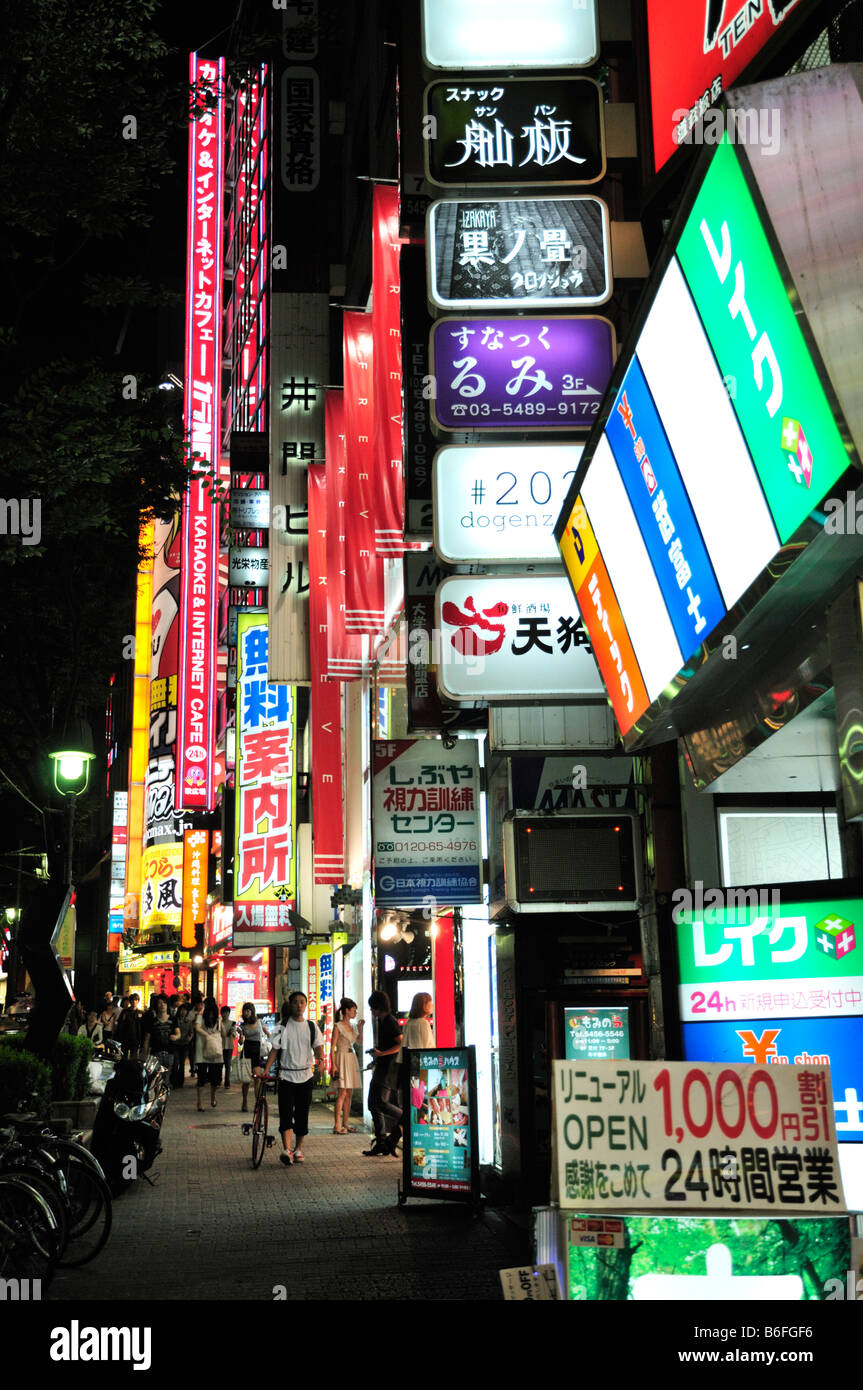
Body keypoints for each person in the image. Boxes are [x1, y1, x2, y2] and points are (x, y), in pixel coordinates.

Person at [255, 992, 324, 1166]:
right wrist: (267, 1069)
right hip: (286, 1075)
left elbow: (318, 1048)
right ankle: (287, 1149)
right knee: (286, 1113)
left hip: (305, 1076)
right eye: (296, 1002)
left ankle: (298, 1149)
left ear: (306, 1005)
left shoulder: (311, 1026)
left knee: (302, 1115)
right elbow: (274, 1050)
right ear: (291, 1005)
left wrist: (321, 1061)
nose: (299, 1005)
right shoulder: (282, 1025)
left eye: (302, 1002)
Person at [364, 990, 403, 1157]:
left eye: (373, 1008)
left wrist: (381, 1055)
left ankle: (404, 1117)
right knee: (373, 1103)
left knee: (379, 1102)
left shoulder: (391, 1022)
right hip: (382, 1066)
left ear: (379, 1007)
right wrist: (377, 1057)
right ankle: (381, 1141)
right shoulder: (382, 1021)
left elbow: (400, 1043)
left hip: (389, 1069)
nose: (372, 1011)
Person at [329, 997, 363, 1134]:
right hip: (341, 1057)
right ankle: (337, 1125)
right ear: (347, 1011)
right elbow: (332, 1047)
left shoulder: (353, 1027)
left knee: (349, 1092)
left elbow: (359, 1042)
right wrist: (333, 1065)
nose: (355, 1012)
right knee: (342, 1092)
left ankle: (346, 1124)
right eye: (353, 1010)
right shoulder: (338, 1026)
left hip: (350, 1057)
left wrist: (360, 1028)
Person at [194, 997, 224, 1111]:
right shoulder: (200, 1017)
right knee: (201, 1078)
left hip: (215, 1052)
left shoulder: (218, 1019)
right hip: (202, 1052)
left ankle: (213, 1097)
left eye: (213, 1013)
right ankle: (200, 1102)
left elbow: (223, 1032)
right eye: (209, 1013)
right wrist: (207, 1035)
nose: (211, 1015)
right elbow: (196, 1027)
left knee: (215, 1078)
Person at [238, 1003, 267, 1112]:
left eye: (248, 1010)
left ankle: (257, 1103)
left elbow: (266, 1032)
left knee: (257, 1079)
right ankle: (244, 1101)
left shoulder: (259, 1022)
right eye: (245, 1011)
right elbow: (240, 1043)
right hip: (247, 1052)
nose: (246, 1012)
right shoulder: (242, 1025)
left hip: (257, 1052)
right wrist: (240, 1036)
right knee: (246, 1081)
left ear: (252, 1011)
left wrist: (269, 1035)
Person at [144, 996, 174, 1075]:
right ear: (156, 1006)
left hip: (170, 1053)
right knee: (156, 1077)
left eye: (164, 1003)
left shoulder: (173, 1019)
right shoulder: (152, 1021)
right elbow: (147, 1039)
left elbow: (178, 1033)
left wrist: (176, 1037)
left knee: (167, 1079)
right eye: (160, 1003)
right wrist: (145, 1054)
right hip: (156, 1054)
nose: (162, 1005)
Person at [220, 1005, 237, 1089]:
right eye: (224, 1013)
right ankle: (218, 1080)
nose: (225, 1014)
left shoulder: (232, 1023)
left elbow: (234, 1034)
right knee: (219, 1065)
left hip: (229, 1046)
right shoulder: (219, 1023)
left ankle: (227, 1082)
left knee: (227, 1065)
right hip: (220, 1046)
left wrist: (234, 1033)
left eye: (227, 1012)